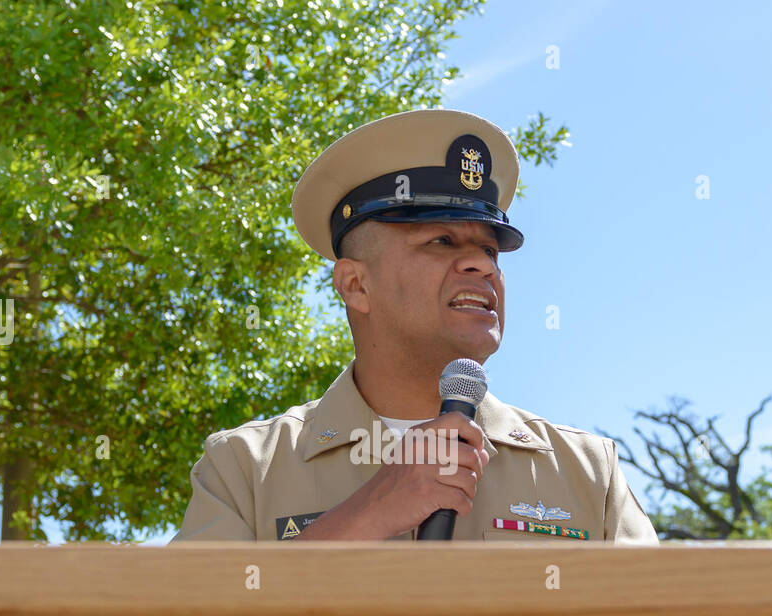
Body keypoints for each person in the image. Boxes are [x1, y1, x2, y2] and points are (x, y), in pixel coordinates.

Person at [173, 108, 658, 545]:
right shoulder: (243, 471)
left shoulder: (588, 474)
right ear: (356, 285)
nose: (482, 266)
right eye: (442, 240)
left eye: (490, 250)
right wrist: (365, 515)